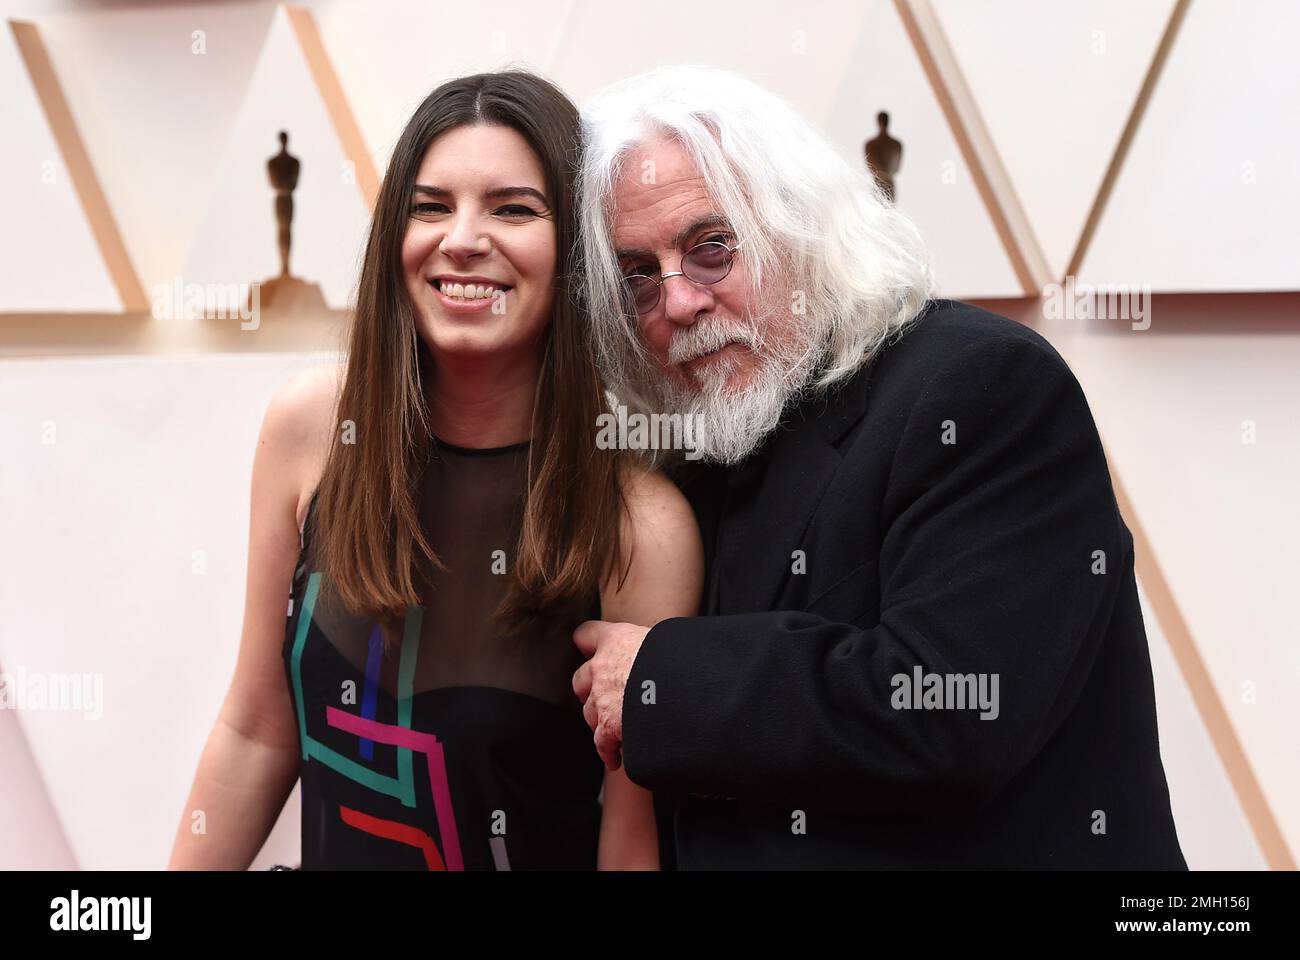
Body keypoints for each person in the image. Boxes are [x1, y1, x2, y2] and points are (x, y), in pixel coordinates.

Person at [571, 65, 1186, 869]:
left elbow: (955, 709)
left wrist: (663, 679)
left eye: (711, 248)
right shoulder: (698, 450)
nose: (679, 301)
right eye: (640, 278)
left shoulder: (980, 385)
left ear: (803, 229)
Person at [169, 71, 701, 871]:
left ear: (577, 253)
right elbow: (256, 730)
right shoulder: (310, 429)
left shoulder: (640, 524)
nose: (461, 238)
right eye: (430, 206)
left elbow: (628, 844)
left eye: (513, 208)